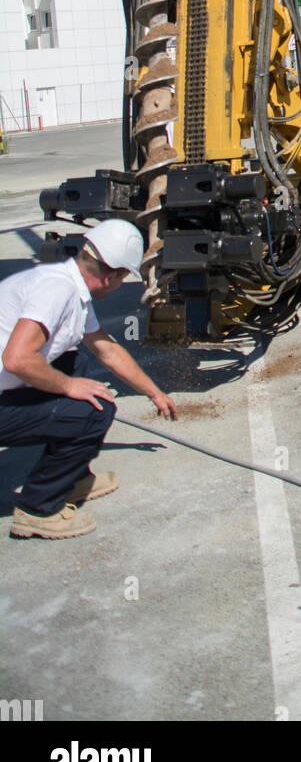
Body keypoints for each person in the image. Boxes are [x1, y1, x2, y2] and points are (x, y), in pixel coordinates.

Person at [0, 220, 177, 539]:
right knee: (96, 411)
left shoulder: (68, 285)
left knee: (74, 360)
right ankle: (38, 509)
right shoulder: (58, 290)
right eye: (124, 277)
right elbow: (16, 359)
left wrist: (154, 393)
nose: (122, 284)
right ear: (111, 276)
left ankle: (72, 478)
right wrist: (69, 387)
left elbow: (106, 349)